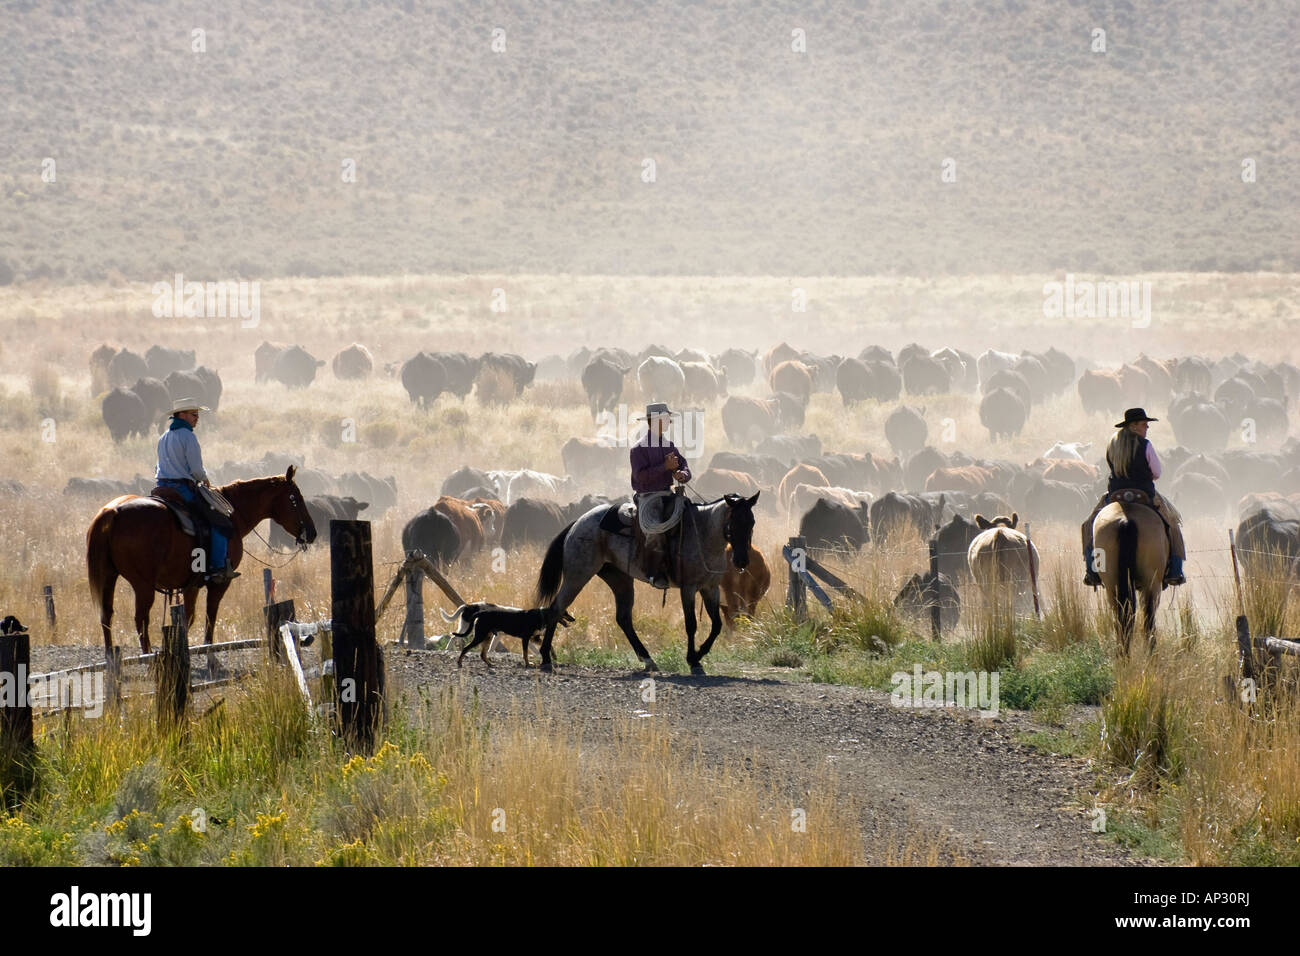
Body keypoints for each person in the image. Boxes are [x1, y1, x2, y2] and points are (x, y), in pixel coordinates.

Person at [1082, 407, 1186, 588]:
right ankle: (1175, 571)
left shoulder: (1112, 444)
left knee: (1089, 526)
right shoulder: (1146, 445)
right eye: (1144, 424)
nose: (1147, 428)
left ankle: (1093, 570)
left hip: (1115, 495)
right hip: (1144, 494)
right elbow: (1157, 472)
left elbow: (1110, 466)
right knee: (1173, 524)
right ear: (1133, 426)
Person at [155, 397, 240, 584]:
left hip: (161, 488)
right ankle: (217, 568)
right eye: (194, 414)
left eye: (197, 414)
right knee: (219, 522)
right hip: (182, 488)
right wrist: (204, 479)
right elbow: (195, 469)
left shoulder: (164, 437)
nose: (197, 418)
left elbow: (158, 466)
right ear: (182, 415)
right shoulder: (188, 436)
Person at [630, 402, 692, 589]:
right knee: (655, 532)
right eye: (666, 419)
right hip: (648, 497)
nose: (669, 422)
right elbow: (640, 477)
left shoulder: (669, 446)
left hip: (668, 494)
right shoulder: (638, 449)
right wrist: (665, 468)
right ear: (655, 421)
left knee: (693, 520)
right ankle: (653, 572)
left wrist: (682, 474)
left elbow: (683, 465)